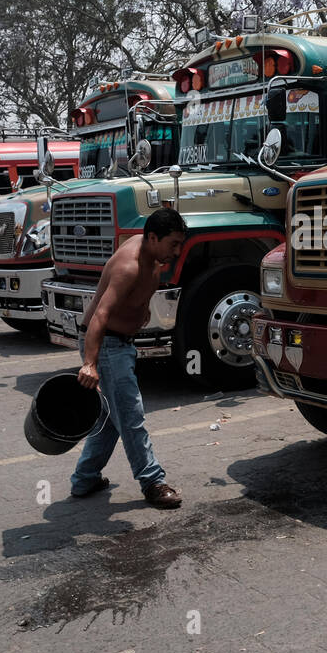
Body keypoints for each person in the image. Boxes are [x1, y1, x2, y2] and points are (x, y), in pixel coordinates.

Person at [70, 207, 188, 507]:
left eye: (180, 244)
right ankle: (153, 482)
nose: (177, 251)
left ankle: (85, 479)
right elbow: (100, 315)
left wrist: (142, 310)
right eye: (172, 244)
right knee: (130, 416)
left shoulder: (152, 255)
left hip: (120, 343)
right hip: (106, 344)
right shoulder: (129, 267)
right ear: (152, 237)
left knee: (112, 418)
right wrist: (90, 363)